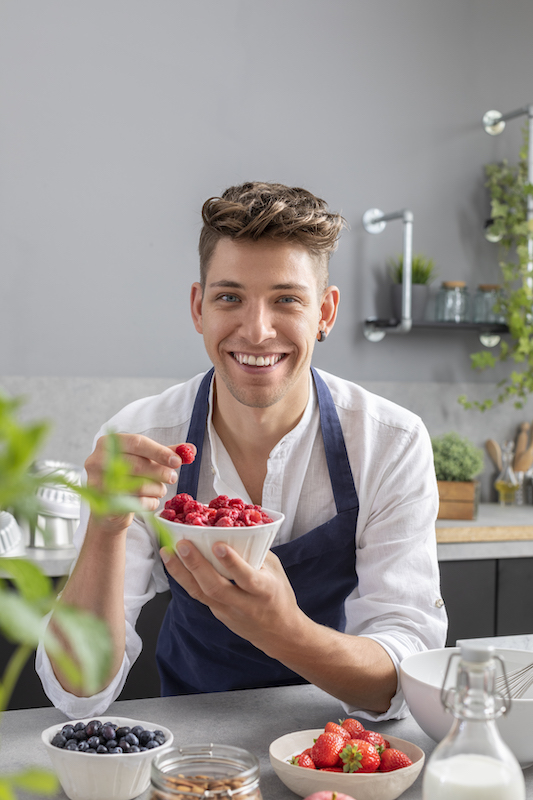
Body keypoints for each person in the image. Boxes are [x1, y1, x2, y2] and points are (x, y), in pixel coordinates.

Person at [36, 181, 447, 721]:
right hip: (191, 751)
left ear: (324, 312)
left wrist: (286, 632)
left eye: (287, 300)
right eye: (229, 296)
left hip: (338, 747)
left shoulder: (390, 442)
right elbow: (78, 691)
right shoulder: (139, 437)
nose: (256, 331)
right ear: (197, 307)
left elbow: (404, 675)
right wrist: (104, 531)